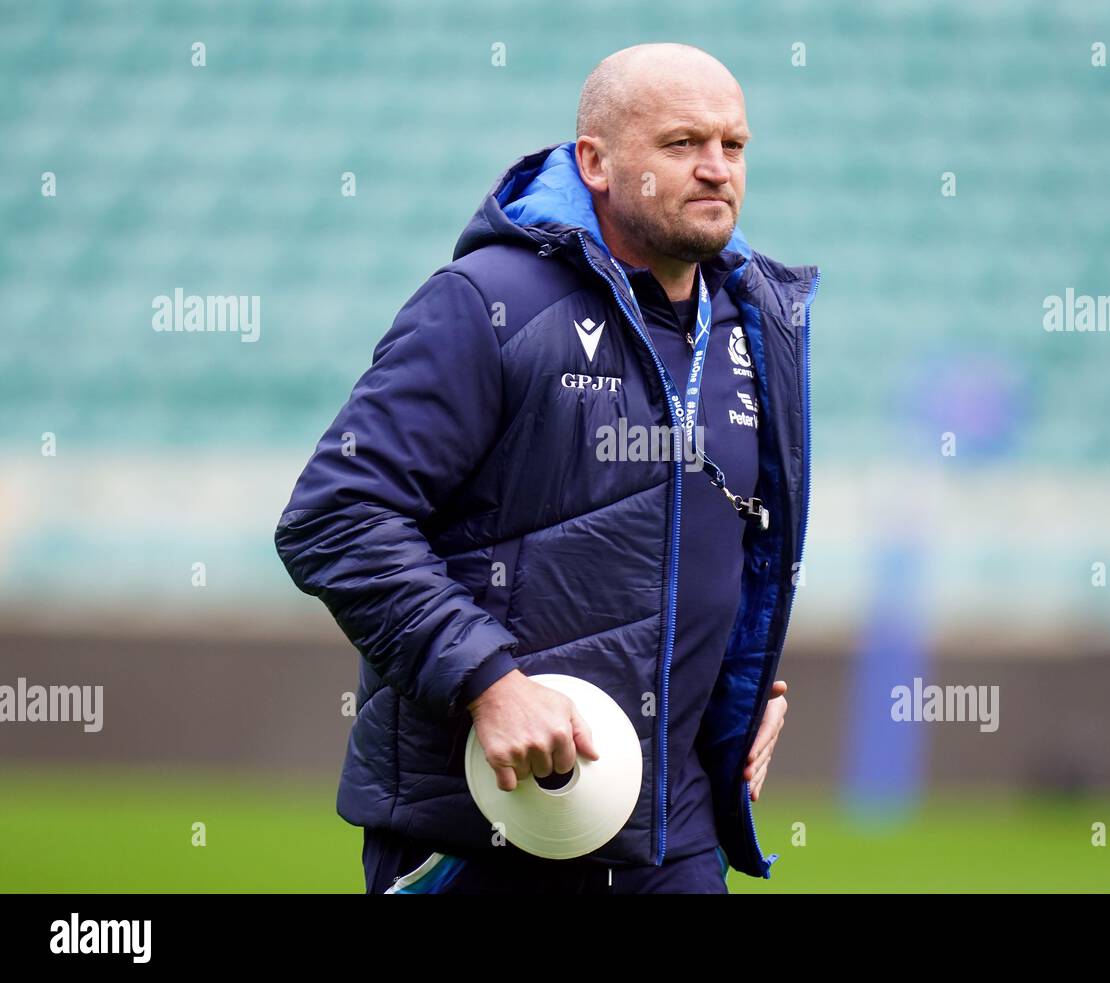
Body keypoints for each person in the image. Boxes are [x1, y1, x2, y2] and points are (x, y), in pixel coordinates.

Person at [274, 42, 819, 894]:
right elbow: (335, 516)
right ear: (596, 162)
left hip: (671, 835)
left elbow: (711, 549)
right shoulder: (486, 303)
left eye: (734, 146)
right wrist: (488, 680)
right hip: (486, 828)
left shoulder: (758, 329)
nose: (717, 169)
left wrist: (741, 686)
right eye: (682, 144)